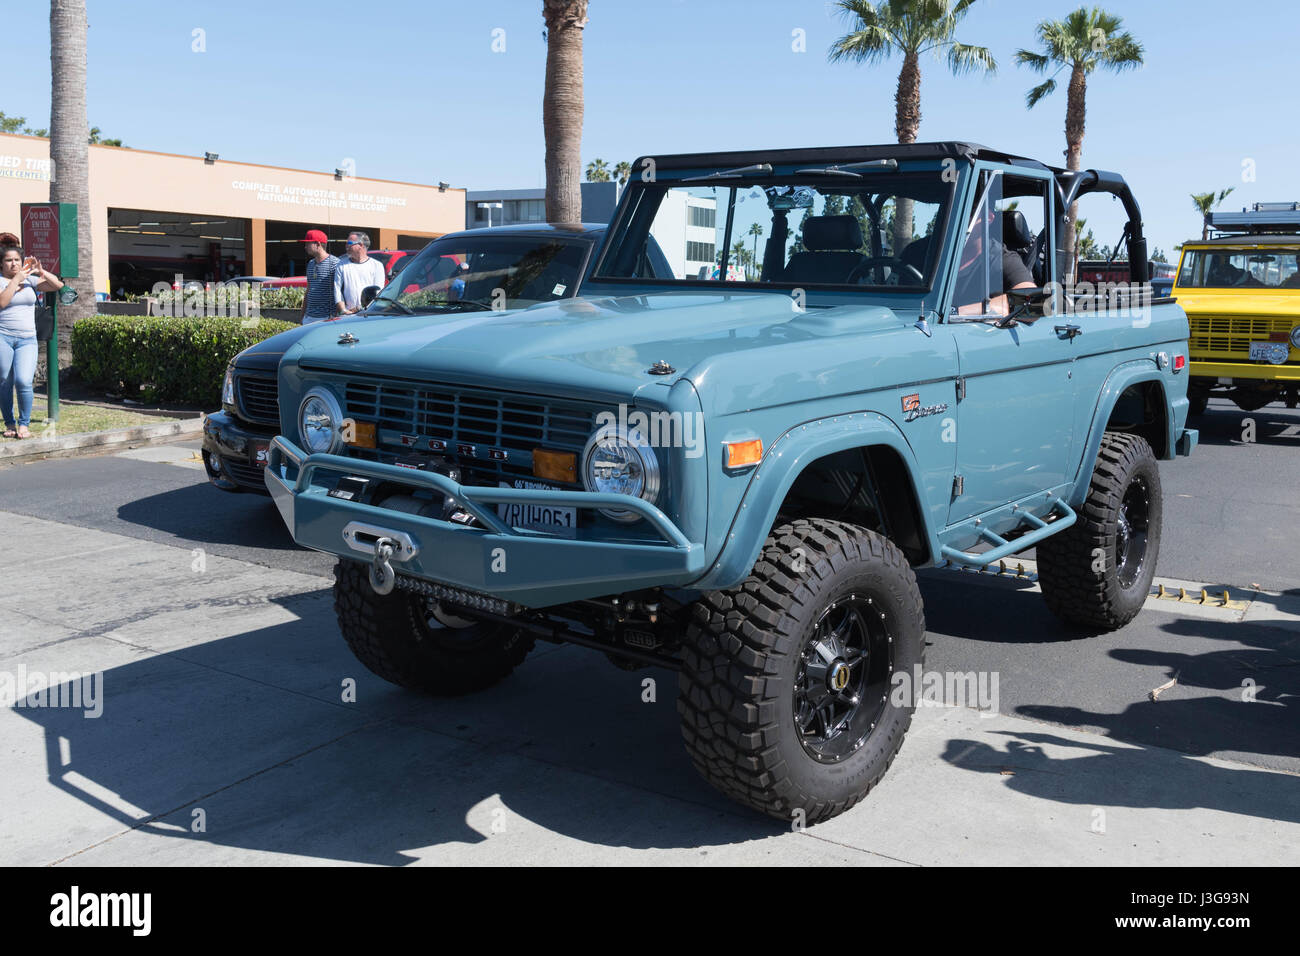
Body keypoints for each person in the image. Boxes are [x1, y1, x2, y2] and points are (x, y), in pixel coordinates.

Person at [0, 244, 64, 439]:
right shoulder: (2, 281)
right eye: (9, 260)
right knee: (4, 381)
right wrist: (15, 282)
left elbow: (57, 286)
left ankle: (24, 424)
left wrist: (40, 271)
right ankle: (10, 422)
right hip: (3, 337)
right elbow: (2, 302)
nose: (13, 264)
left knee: (24, 381)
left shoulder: (30, 280)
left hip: (27, 339)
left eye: (17, 260)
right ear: (1, 264)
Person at [333, 231, 386, 315]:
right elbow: (337, 290)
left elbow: (377, 292)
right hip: (348, 315)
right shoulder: (341, 265)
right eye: (346, 243)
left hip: (369, 314)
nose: (346, 246)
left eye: (349, 243)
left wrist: (359, 308)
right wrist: (343, 310)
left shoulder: (377, 266)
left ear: (361, 245)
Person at [299, 229, 340, 324]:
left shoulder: (335, 263)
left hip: (326, 318)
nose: (305, 247)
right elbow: (308, 291)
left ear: (318, 244)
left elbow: (340, 292)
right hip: (308, 318)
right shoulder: (310, 263)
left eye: (308, 244)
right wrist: (302, 316)